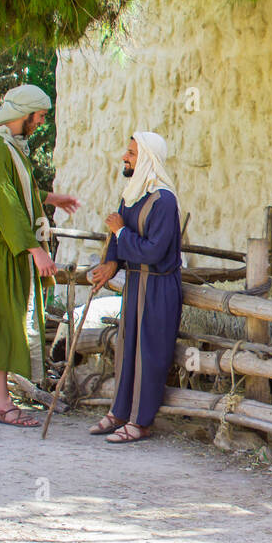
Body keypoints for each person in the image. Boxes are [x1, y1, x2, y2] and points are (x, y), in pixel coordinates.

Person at [0, 84, 81, 427]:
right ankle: (2, 403)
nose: (41, 122)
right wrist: (35, 250)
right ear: (24, 113)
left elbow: (19, 190)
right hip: (5, 249)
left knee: (3, 317)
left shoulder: (5, 146)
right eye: (40, 115)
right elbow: (6, 204)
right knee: (2, 321)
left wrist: (52, 199)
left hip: (8, 248)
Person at [87, 131, 182, 444]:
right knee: (127, 350)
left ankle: (140, 422)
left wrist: (121, 233)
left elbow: (153, 251)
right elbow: (117, 236)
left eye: (131, 153)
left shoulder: (163, 201)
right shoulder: (131, 195)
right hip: (135, 284)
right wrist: (111, 264)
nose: (125, 158)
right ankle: (119, 412)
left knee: (150, 354)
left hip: (158, 288)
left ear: (148, 159)